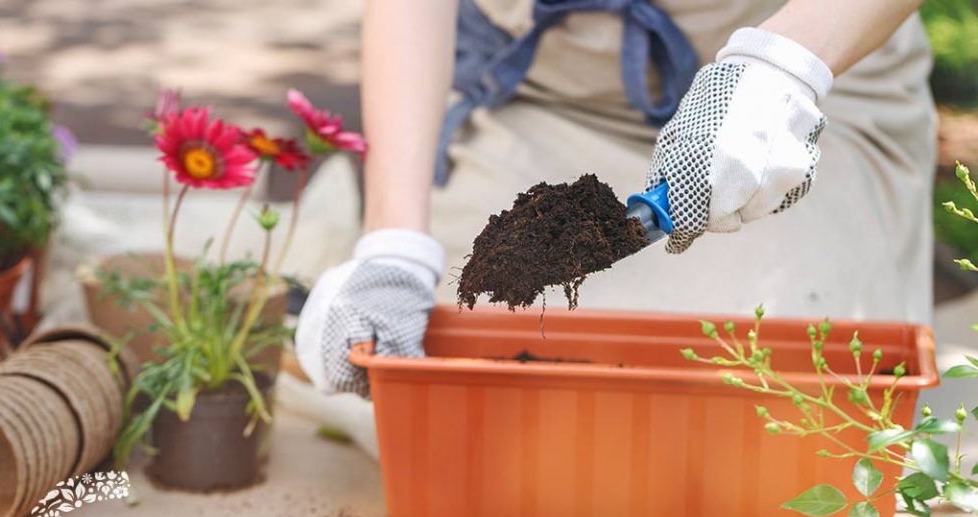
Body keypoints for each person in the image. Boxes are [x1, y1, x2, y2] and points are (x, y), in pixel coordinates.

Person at [296, 0, 935, 397]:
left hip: (811, 71)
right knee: (468, 369)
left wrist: (786, 66)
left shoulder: (796, 70)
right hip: (548, 95)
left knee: (779, 378)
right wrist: (394, 244)